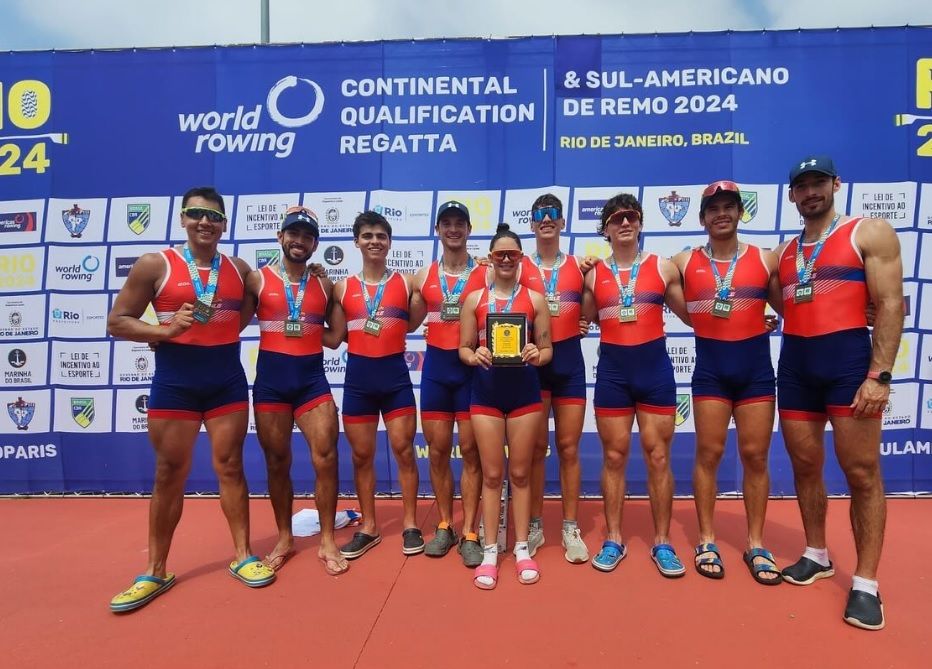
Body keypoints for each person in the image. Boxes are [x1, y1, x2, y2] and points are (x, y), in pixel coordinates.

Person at [107, 186, 275, 613]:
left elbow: (247, 313)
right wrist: (163, 332)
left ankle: (243, 556)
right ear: (183, 218)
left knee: (232, 467)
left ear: (224, 224)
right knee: (169, 473)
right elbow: (118, 321)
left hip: (226, 381)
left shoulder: (238, 269)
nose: (205, 222)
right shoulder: (156, 264)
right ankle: (155, 569)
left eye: (214, 216)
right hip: (176, 384)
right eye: (196, 214)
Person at [776, 156, 903, 630]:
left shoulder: (868, 233)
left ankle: (866, 584)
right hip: (795, 369)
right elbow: (777, 299)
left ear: (835, 184)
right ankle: (816, 553)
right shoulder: (786, 253)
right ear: (792, 196)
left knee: (862, 473)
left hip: (850, 367)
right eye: (802, 186)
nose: (811, 192)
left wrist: (880, 375)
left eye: (818, 183)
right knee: (806, 466)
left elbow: (890, 302)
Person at [671, 181, 783, 584]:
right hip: (711, 373)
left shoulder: (766, 260)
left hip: (755, 373)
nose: (721, 214)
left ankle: (756, 543)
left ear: (740, 213)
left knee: (755, 456)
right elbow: (642, 278)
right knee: (709, 454)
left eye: (729, 207)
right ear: (702, 217)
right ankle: (706, 539)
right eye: (713, 208)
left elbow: (798, 307)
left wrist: (866, 308)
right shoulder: (682, 262)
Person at [581, 193, 690, 577]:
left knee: (658, 456)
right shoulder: (593, 275)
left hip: (655, 371)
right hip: (613, 373)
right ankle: (613, 538)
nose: (624, 223)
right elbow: (575, 317)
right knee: (613, 456)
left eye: (631, 216)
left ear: (640, 223)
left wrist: (753, 314)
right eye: (616, 219)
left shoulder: (662, 268)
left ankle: (662, 541)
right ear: (606, 229)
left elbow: (695, 315)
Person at [241, 206, 348, 576]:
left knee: (326, 457)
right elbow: (226, 322)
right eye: (293, 234)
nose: (299, 241)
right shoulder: (257, 280)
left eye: (306, 236)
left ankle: (328, 540)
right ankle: (285, 537)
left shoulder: (325, 284)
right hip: (271, 384)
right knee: (277, 462)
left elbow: (334, 339)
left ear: (315, 243)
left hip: (311, 383)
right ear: (280, 238)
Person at [459, 224, 553, 589]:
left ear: (521, 259)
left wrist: (536, 353)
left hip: (525, 396)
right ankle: (490, 551)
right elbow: (463, 348)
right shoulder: (474, 300)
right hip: (485, 396)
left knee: (522, 474)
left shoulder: (535, 299)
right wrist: (475, 354)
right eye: (500, 255)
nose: (507, 260)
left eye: (513, 255)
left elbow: (547, 351)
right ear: (491, 259)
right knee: (493, 475)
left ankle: (523, 548)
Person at [328, 211, 425, 559]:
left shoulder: (408, 283)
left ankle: (411, 523)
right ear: (356, 241)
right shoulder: (342, 288)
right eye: (367, 235)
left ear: (390, 242)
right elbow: (333, 336)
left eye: (381, 236)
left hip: (395, 378)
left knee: (403, 450)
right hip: (358, 382)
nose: (374, 241)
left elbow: (418, 320)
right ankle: (369, 526)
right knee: (361, 455)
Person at [411, 201, 487, 566]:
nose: (453, 229)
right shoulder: (422, 277)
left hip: (473, 372)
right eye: (447, 224)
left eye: (460, 223)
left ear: (469, 230)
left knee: (472, 453)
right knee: (438, 451)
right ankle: (445, 523)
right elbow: (398, 318)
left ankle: (470, 530)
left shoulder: (486, 272)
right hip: (436, 372)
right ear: (437, 230)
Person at [518, 194, 590, 563]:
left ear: (562, 222)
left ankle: (570, 527)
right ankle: (533, 525)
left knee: (569, 448)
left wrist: (586, 319)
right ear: (531, 224)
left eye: (553, 214)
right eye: (539, 215)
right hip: (533, 364)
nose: (546, 219)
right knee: (532, 450)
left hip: (570, 365)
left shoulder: (582, 265)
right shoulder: (519, 266)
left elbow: (593, 305)